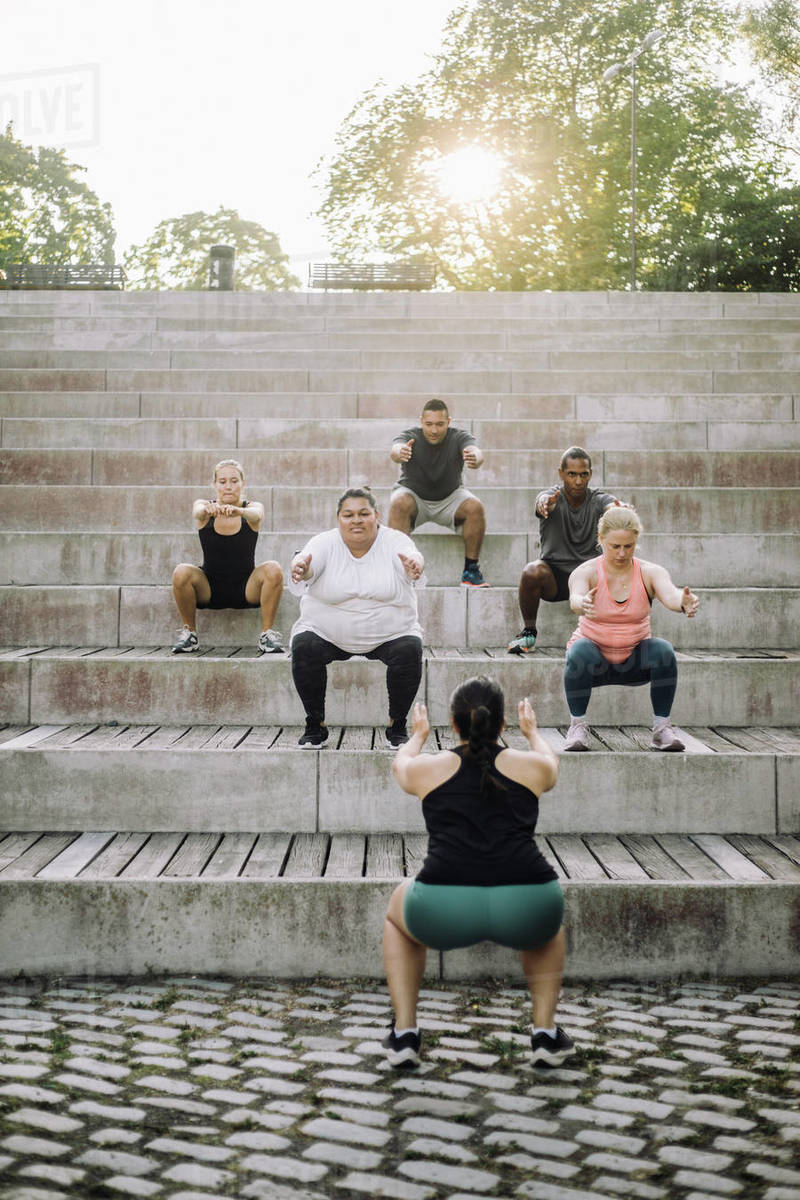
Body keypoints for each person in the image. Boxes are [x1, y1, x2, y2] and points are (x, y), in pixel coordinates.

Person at [382, 676, 574, 1071]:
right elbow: (552, 762)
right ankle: (545, 1034)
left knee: (396, 915)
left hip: (442, 907)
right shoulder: (533, 767)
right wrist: (533, 733)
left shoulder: (428, 770)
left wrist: (418, 736)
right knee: (548, 917)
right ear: (503, 724)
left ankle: (404, 1033)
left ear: (454, 725)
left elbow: (400, 764)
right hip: (527, 904)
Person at [288, 487, 425, 749]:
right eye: (348, 515)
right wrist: (301, 568)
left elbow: (412, 557)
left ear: (377, 515)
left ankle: (397, 725)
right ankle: (315, 725)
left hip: (390, 633)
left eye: (364, 513)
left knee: (409, 647)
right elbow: (307, 562)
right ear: (338, 518)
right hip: (328, 632)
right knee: (304, 644)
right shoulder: (325, 541)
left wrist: (415, 566)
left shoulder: (394, 540)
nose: (356, 520)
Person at [562, 505, 699, 752]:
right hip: (593, 663)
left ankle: (661, 730)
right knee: (578, 650)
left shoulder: (649, 572)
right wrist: (581, 603)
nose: (622, 553)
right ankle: (577, 728)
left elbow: (670, 594)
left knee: (664, 651)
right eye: (615, 546)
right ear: (601, 539)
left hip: (634, 661)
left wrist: (683, 602)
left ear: (636, 541)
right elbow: (575, 597)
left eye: (629, 546)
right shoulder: (587, 571)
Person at [508, 446, 619, 655]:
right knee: (532, 571)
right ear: (561, 473)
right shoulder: (551, 496)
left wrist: (618, 510)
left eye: (583, 475)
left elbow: (611, 506)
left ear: (590, 474)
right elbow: (542, 503)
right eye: (572, 474)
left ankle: (612, 635)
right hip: (555, 579)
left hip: (589, 580)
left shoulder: (597, 499)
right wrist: (545, 505)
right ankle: (528, 634)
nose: (578, 481)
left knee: (620, 567)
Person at [171, 459, 284, 655]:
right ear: (214, 485)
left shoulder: (252, 507)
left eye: (234, 481)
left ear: (243, 484)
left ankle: (267, 635)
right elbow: (197, 511)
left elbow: (256, 515)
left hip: (247, 589)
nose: (228, 486)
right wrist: (208, 509)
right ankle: (190, 636)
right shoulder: (204, 506)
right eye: (222, 481)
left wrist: (238, 511)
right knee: (181, 572)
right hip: (209, 589)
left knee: (273, 569)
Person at [388, 398, 489, 588]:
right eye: (429, 424)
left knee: (475, 507)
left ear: (448, 422)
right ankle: (398, 571)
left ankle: (471, 571)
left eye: (440, 424)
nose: (434, 430)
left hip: (450, 498)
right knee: (398, 502)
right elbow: (395, 449)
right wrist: (399, 451)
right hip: (414, 497)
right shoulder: (411, 436)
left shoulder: (458, 436)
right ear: (421, 421)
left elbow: (475, 451)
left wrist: (476, 458)